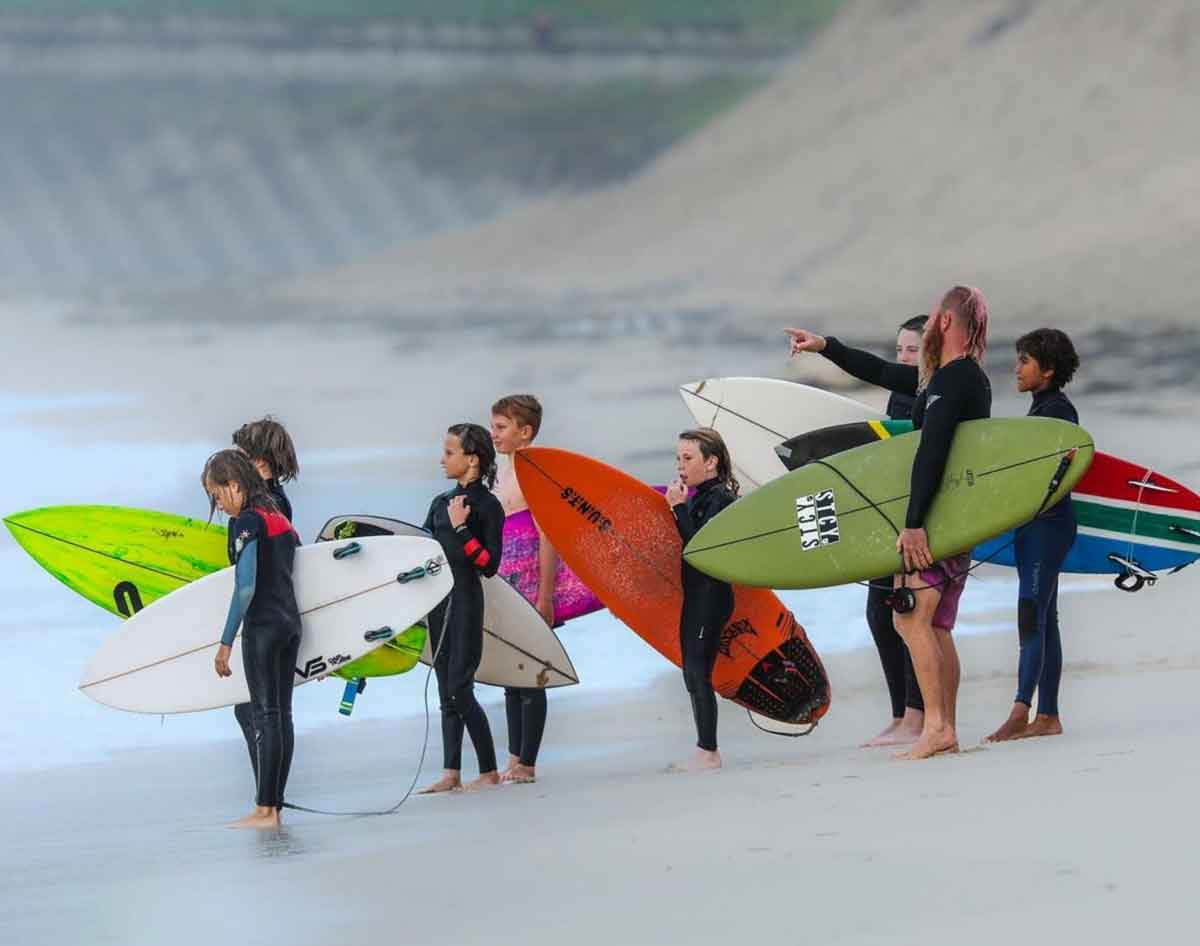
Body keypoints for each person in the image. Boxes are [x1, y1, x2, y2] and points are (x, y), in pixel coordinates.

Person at [786, 285, 992, 759]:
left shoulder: (951, 380)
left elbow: (932, 451)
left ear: (944, 323)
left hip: (937, 519)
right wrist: (827, 346)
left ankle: (935, 727)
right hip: (960, 516)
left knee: (911, 619)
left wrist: (915, 522)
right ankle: (945, 728)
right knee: (936, 625)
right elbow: (881, 371)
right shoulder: (963, 377)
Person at [986, 329, 1080, 742]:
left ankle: (1019, 711)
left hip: (1048, 525)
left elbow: (1051, 477)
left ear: (1048, 370)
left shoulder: (1057, 413)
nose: (1016, 368)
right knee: (1046, 618)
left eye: (1025, 361)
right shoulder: (1044, 408)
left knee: (1031, 614)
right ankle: (1049, 716)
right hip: (1038, 524)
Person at [205, 449, 301, 828]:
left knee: (265, 715)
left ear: (233, 484)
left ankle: (265, 809)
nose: (218, 503)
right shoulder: (278, 516)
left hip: (262, 626)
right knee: (282, 715)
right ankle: (274, 806)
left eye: (217, 494)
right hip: (291, 624)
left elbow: (245, 587)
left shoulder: (246, 521)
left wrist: (226, 641)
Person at [419, 424, 504, 794]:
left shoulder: (488, 507)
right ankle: (451, 772)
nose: (442, 459)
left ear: (472, 460)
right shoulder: (439, 504)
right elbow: (421, 551)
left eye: (450, 452)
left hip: (467, 602)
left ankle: (488, 771)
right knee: (444, 691)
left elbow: (488, 565)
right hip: (438, 606)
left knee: (460, 688)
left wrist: (461, 530)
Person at [861, 316, 928, 747]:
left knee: (906, 614)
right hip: (884, 517)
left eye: (912, 350)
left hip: (912, 520)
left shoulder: (929, 395)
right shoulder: (899, 393)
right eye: (899, 350)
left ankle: (916, 715)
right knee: (879, 613)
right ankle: (901, 711)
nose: (903, 357)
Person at [491, 394, 558, 784]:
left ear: (525, 431)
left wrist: (546, 596)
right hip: (507, 588)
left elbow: (549, 535)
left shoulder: (536, 470)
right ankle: (514, 759)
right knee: (509, 674)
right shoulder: (503, 471)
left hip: (533, 590)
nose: (493, 434)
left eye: (501, 428)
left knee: (531, 674)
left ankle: (527, 765)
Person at [231, 416, 301, 784]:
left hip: (266, 619)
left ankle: (268, 797)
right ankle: (270, 796)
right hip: (285, 617)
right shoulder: (279, 502)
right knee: (268, 710)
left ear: (258, 462)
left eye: (241, 457)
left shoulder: (259, 508)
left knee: (258, 710)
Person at [666, 428, 740, 771]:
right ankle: (705, 749)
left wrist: (678, 508)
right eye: (678, 458)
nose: (681, 466)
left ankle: (708, 752)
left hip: (711, 596)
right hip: (697, 595)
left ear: (711, 462)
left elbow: (700, 549)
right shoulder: (699, 497)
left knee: (698, 673)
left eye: (688, 458)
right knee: (692, 674)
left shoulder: (720, 500)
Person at [232, 416, 299, 521]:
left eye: (239, 456)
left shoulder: (269, 504)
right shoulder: (271, 499)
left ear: (259, 461)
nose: (234, 463)